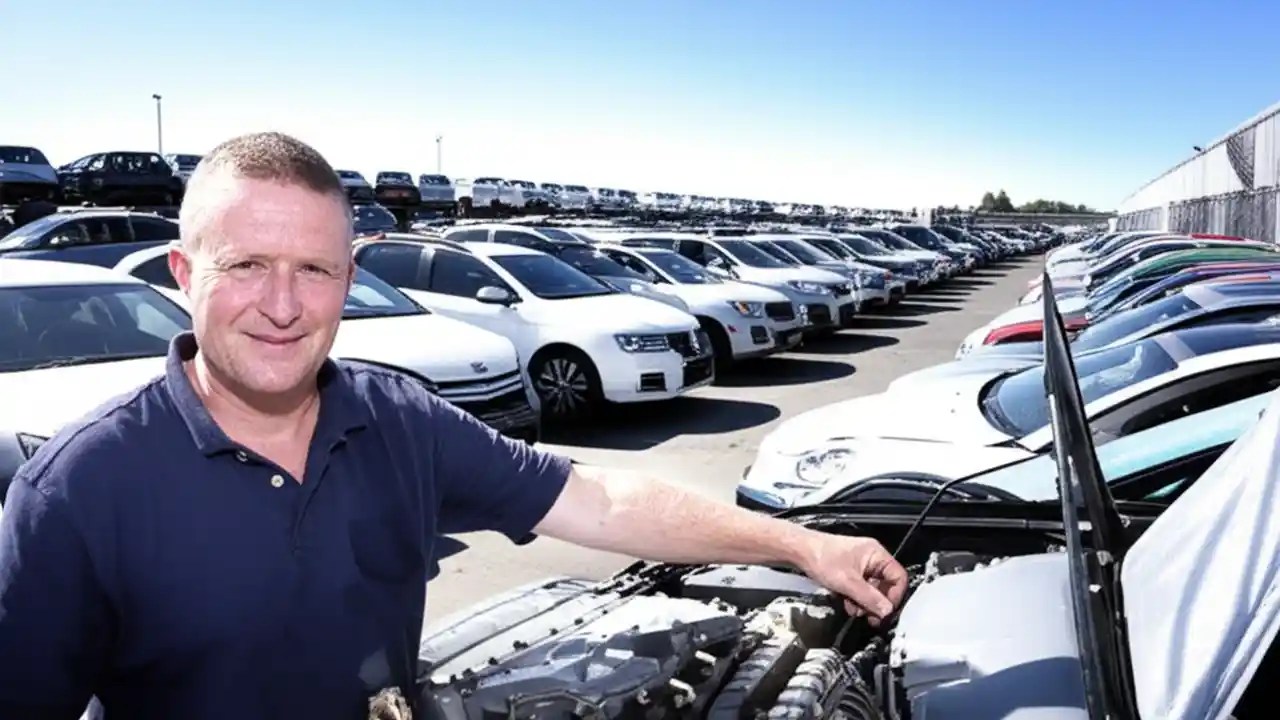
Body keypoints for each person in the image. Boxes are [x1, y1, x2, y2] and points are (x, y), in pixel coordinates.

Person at [0, 132, 908, 719]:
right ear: (181, 272)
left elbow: (600, 499)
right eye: (245, 265)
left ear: (350, 277)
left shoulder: (398, 421)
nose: (282, 305)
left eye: (315, 270)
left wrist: (800, 545)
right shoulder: (78, 489)